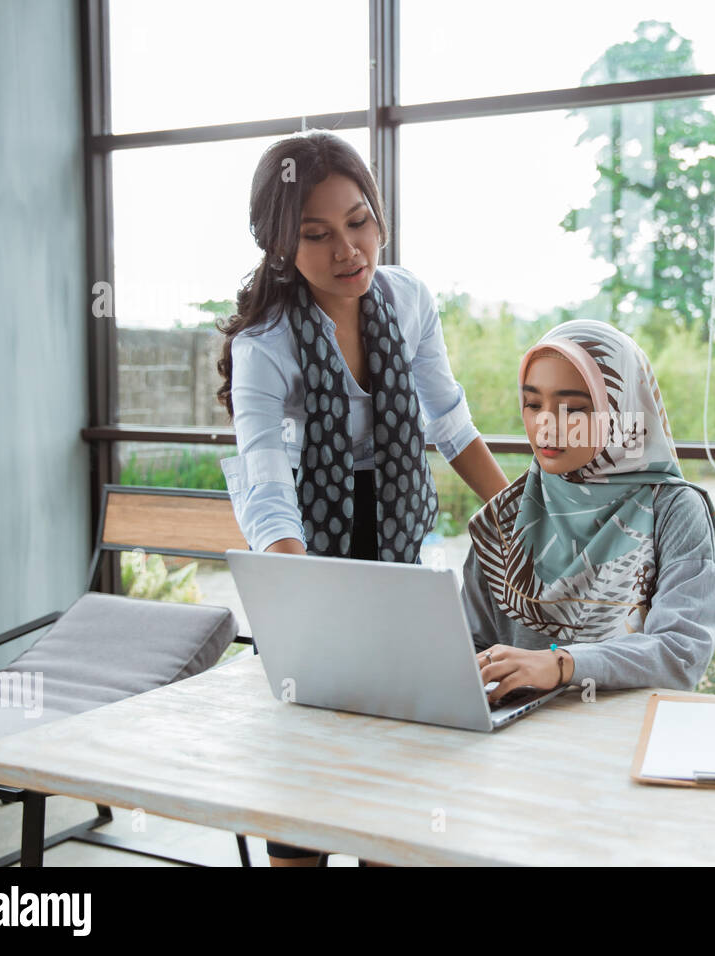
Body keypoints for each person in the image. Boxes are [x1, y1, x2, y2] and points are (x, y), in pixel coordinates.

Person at [216, 131, 509, 866]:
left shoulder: (407, 298)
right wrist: (307, 602)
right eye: (316, 235)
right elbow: (267, 485)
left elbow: (448, 421)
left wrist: (518, 516)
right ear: (282, 246)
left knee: (400, 781)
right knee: (309, 766)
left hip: (395, 532)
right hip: (301, 537)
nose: (348, 249)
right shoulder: (268, 343)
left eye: (359, 221)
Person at [461, 320, 715, 702]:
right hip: (517, 737)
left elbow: (680, 653)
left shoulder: (673, 509)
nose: (547, 424)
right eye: (533, 404)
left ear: (622, 409)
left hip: (630, 733)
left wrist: (561, 663)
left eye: (574, 408)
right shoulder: (503, 517)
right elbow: (470, 647)